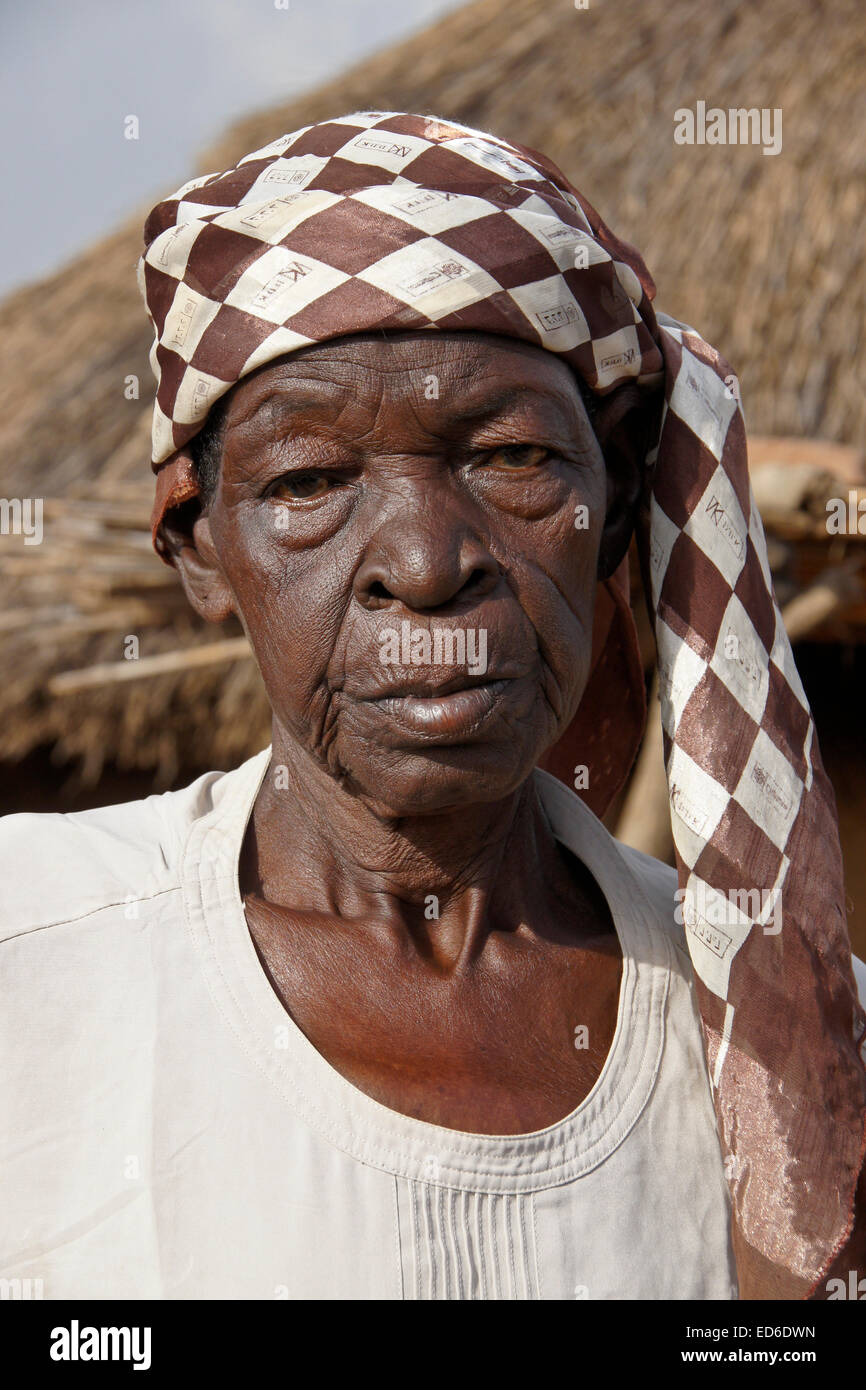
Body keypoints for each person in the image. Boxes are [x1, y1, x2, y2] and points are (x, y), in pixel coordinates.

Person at [1, 111, 864, 1301]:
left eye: (508, 457)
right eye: (307, 481)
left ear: (611, 506)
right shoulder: (33, 955)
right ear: (199, 551)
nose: (421, 561)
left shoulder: (803, 1045)